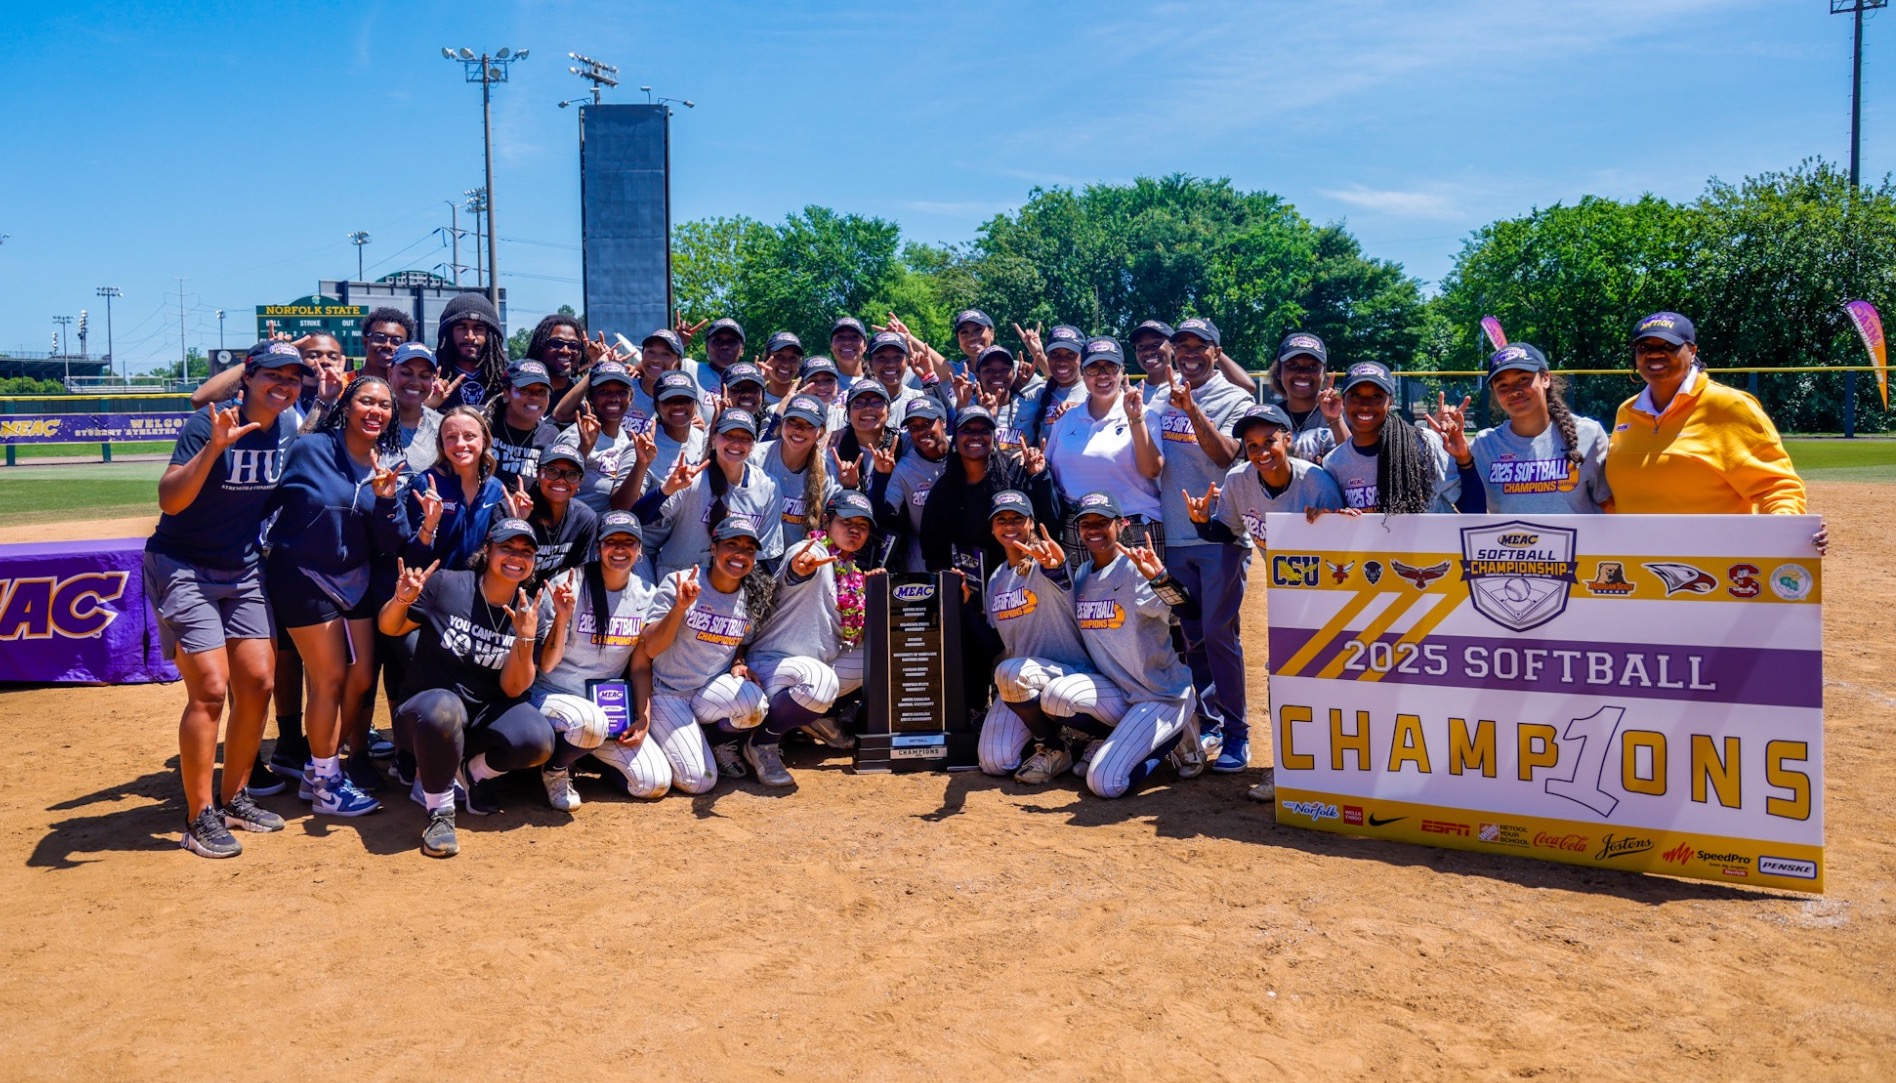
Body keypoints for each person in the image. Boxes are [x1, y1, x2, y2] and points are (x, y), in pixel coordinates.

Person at [146, 340, 308, 857]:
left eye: (293, 378)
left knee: (258, 681)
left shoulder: (285, 427)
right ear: (249, 377)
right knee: (211, 689)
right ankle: (199, 816)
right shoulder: (206, 425)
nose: (284, 385)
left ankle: (235, 795)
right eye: (274, 376)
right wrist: (215, 448)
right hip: (183, 565)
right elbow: (170, 500)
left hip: (241, 568)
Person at [265, 376, 409, 815]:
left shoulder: (388, 462)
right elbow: (267, 497)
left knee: (361, 679)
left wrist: (386, 499)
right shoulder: (311, 449)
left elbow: (392, 540)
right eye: (366, 401)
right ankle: (326, 781)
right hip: (303, 574)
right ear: (347, 405)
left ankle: (318, 770)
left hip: (357, 579)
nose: (375, 411)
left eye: (384, 405)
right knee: (327, 679)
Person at [377, 519, 560, 858]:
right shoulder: (448, 585)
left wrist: (524, 636)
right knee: (446, 710)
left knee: (538, 739)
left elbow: (513, 687)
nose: (516, 557)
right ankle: (440, 810)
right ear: (488, 549)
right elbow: (389, 628)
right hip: (425, 718)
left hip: (478, 719)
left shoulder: (528, 610)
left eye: (526, 552)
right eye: (507, 547)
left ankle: (472, 774)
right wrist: (401, 600)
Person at [1041, 492, 1207, 796]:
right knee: (1055, 696)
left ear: (1122, 524)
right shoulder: (1081, 574)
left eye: (1102, 522)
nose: (1093, 529)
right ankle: (1114, 738)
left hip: (1160, 694)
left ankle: (1175, 733)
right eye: (1086, 523)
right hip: (1119, 690)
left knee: (1104, 783)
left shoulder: (1135, 569)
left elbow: (1188, 612)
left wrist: (1161, 579)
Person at [1151, 317, 1257, 773]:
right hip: (1173, 536)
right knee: (1192, 636)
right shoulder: (1159, 394)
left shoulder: (1236, 398)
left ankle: (1238, 734)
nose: (1190, 352)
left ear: (1217, 352)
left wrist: (1192, 409)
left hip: (1221, 535)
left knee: (1220, 635)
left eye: (1200, 345)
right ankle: (1209, 722)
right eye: (1182, 345)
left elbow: (1227, 454)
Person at [739, 491, 880, 786]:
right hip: (771, 666)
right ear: (827, 522)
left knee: (881, 649)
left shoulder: (850, 571)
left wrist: (875, 594)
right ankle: (762, 743)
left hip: (812, 667)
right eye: (846, 521)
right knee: (820, 684)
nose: (854, 530)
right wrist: (798, 570)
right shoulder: (812, 551)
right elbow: (797, 569)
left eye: (862, 525)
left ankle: (811, 715)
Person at [527, 511, 668, 807]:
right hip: (553, 695)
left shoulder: (647, 595)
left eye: (628, 542)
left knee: (653, 783)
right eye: (611, 541)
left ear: (640, 550)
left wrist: (643, 719)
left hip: (608, 708)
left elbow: (641, 667)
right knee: (590, 722)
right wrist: (562, 618)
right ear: (598, 547)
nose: (619, 548)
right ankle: (555, 769)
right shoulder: (569, 584)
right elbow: (547, 664)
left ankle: (589, 759)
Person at [1606, 312, 1808, 516]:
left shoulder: (1728, 405)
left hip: (1713, 547)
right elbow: (1615, 497)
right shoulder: (1627, 411)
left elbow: (1777, 488)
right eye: (1644, 347)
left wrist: (1786, 529)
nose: (1655, 354)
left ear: (1692, 351)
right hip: (1637, 547)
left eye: (1668, 346)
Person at [627, 519, 772, 792]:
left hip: (707, 690)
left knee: (755, 705)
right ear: (714, 549)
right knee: (700, 782)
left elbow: (742, 639)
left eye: (749, 549)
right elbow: (651, 649)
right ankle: (666, 742)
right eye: (732, 545)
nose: (741, 554)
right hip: (668, 693)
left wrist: (739, 660)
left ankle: (714, 741)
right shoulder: (680, 582)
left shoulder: (753, 594)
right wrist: (679, 608)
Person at [974, 490, 1096, 784]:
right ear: (992, 528)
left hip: (1067, 676)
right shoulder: (996, 579)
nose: (1009, 525)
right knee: (994, 761)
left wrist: (1053, 565)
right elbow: (995, 642)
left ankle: (1056, 744)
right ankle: (1063, 742)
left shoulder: (1045, 562)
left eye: (1018, 518)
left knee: (1011, 671)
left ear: (1031, 523)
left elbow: (1058, 572)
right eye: (1001, 519)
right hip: (1020, 685)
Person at [1443, 343, 1612, 513]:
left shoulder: (1588, 435)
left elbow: (1610, 505)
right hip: (1508, 540)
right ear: (1494, 392)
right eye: (1503, 385)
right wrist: (1454, 452)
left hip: (1576, 540)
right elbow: (1470, 510)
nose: (1514, 391)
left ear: (1545, 378)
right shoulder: (1485, 445)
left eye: (1523, 379)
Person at [633, 408, 786, 578]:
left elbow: (764, 555)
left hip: (730, 586)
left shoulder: (768, 486)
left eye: (744, 438)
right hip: (678, 578)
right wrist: (666, 490)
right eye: (728, 435)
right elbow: (637, 519)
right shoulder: (693, 479)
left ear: (753, 445)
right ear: (713, 440)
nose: (736, 443)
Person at [1043, 336, 1163, 552]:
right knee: (1083, 586)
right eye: (1093, 368)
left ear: (1122, 370)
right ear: (1082, 372)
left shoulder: (1145, 414)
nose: (1102, 375)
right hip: (1080, 525)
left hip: (1132, 523)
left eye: (1110, 366)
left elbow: (1152, 469)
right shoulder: (1066, 418)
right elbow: (1049, 469)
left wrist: (1134, 418)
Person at [1187, 403, 1344, 552]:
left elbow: (1342, 543)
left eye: (1269, 441)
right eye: (1252, 445)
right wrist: (1202, 523)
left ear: (1287, 439)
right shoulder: (1238, 480)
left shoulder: (1317, 483)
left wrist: (1329, 523)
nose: (1262, 453)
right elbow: (1228, 532)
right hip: (1281, 577)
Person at [1321, 360, 1472, 514]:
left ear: (1391, 401)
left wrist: (1465, 459)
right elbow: (1336, 519)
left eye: (1376, 396)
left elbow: (1474, 510)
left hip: (1429, 538)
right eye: (1356, 395)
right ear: (1343, 401)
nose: (1365, 405)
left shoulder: (1424, 443)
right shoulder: (1334, 463)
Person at [870, 398, 951, 572]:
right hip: (922, 555)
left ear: (943, 422)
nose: (922, 432)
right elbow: (883, 515)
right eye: (914, 427)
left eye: (927, 423)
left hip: (963, 550)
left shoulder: (962, 451)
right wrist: (882, 477)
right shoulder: (904, 469)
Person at [554, 359, 641, 516]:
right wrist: (583, 449)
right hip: (575, 530)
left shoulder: (625, 439)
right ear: (590, 397)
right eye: (604, 392)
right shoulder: (575, 437)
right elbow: (553, 491)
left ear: (631, 397)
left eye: (621, 392)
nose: (614, 398)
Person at [752, 393, 839, 550]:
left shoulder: (826, 472)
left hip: (795, 563)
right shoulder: (755, 457)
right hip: (751, 557)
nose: (799, 430)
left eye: (809, 424)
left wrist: (853, 486)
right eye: (792, 421)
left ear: (821, 431)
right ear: (782, 423)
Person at [1269, 332, 1345, 462]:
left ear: (1323, 373)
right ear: (1278, 372)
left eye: (1312, 367)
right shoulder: (1269, 418)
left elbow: (1355, 463)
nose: (1303, 374)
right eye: (1293, 365)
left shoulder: (1342, 415)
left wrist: (1336, 421)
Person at [485, 359, 561, 487]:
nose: (534, 397)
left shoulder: (551, 436)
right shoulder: (484, 424)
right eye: (524, 389)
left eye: (541, 391)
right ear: (507, 393)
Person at [527, 444, 599, 577]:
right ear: (538, 475)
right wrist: (516, 518)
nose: (561, 480)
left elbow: (571, 574)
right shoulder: (518, 510)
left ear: (580, 482)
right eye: (552, 471)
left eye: (572, 475)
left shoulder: (584, 519)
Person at [1015, 325, 1089, 446]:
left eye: (1070, 354)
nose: (1062, 361)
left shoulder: (1094, 393)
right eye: (1055, 354)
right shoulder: (1040, 393)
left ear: (1083, 357)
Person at [435, 293, 509, 407]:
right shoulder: (431, 376)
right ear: (449, 333)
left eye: (478, 328)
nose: (470, 336)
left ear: (490, 334)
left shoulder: (509, 378)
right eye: (461, 327)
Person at [387, 343, 443, 474]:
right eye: (406, 373)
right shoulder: (372, 421)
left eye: (424, 376)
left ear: (433, 380)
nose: (415, 382)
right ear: (390, 374)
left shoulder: (443, 427)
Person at [522, 312, 588, 403]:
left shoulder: (587, 392)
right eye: (557, 343)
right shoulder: (522, 390)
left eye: (573, 346)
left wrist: (599, 363)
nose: (565, 351)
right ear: (540, 346)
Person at [358, 306, 417, 382]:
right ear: (365, 342)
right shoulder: (342, 384)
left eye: (396, 341)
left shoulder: (409, 388)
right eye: (380, 338)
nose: (387, 345)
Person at [828, 316, 869, 389]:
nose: (847, 342)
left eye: (855, 337)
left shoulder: (880, 381)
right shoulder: (820, 384)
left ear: (865, 346)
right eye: (840, 337)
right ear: (831, 346)